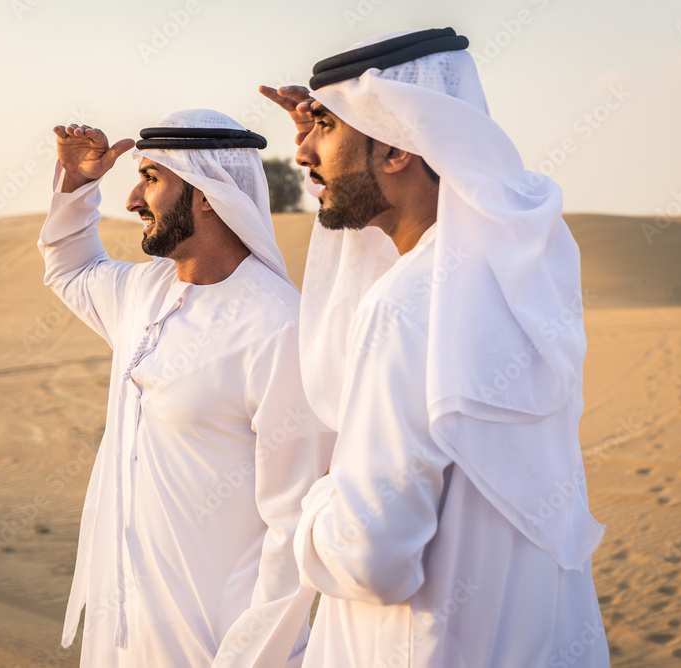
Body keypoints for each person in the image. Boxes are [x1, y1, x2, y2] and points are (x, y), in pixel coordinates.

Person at [260, 28, 610, 666]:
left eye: (324, 129)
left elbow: (372, 560)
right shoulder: (520, 271)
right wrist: (337, 138)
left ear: (395, 149)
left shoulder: (404, 310)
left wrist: (317, 502)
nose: (301, 154)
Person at [38, 109, 325, 667]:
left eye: (150, 179)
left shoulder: (277, 326)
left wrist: (246, 657)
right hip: (122, 635)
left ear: (208, 194)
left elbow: (293, 531)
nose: (131, 201)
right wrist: (77, 184)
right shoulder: (143, 292)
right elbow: (69, 268)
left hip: (217, 647)